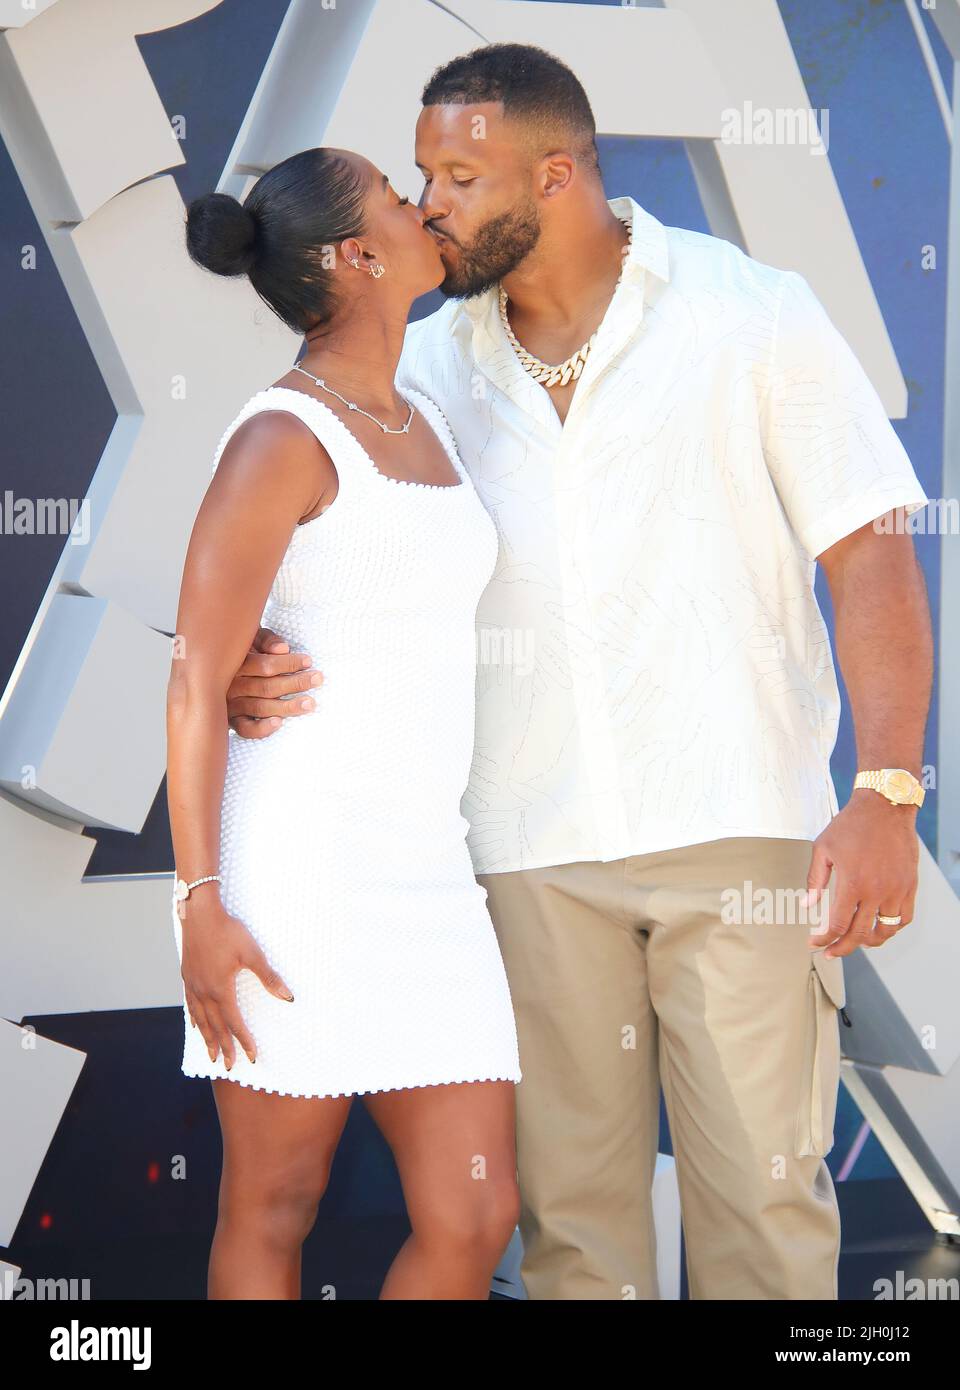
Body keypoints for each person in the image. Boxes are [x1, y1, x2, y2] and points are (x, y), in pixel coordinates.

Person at [224, 45, 933, 1300]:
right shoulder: (425, 372)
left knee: (766, 1213)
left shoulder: (750, 311)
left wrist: (884, 790)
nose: (428, 200)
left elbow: (870, 552)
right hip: (523, 854)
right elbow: (344, 559)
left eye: (458, 174)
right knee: (572, 1238)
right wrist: (252, 663)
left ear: (555, 176)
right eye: (423, 173)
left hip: (739, 835)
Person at [166, 145, 522, 1301]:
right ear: (358, 255)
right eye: (393, 192)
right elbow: (194, 677)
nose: (423, 204)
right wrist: (197, 904)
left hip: (430, 876)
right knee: (275, 1203)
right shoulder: (280, 438)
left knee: (474, 1213)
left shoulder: (424, 412)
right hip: (293, 878)